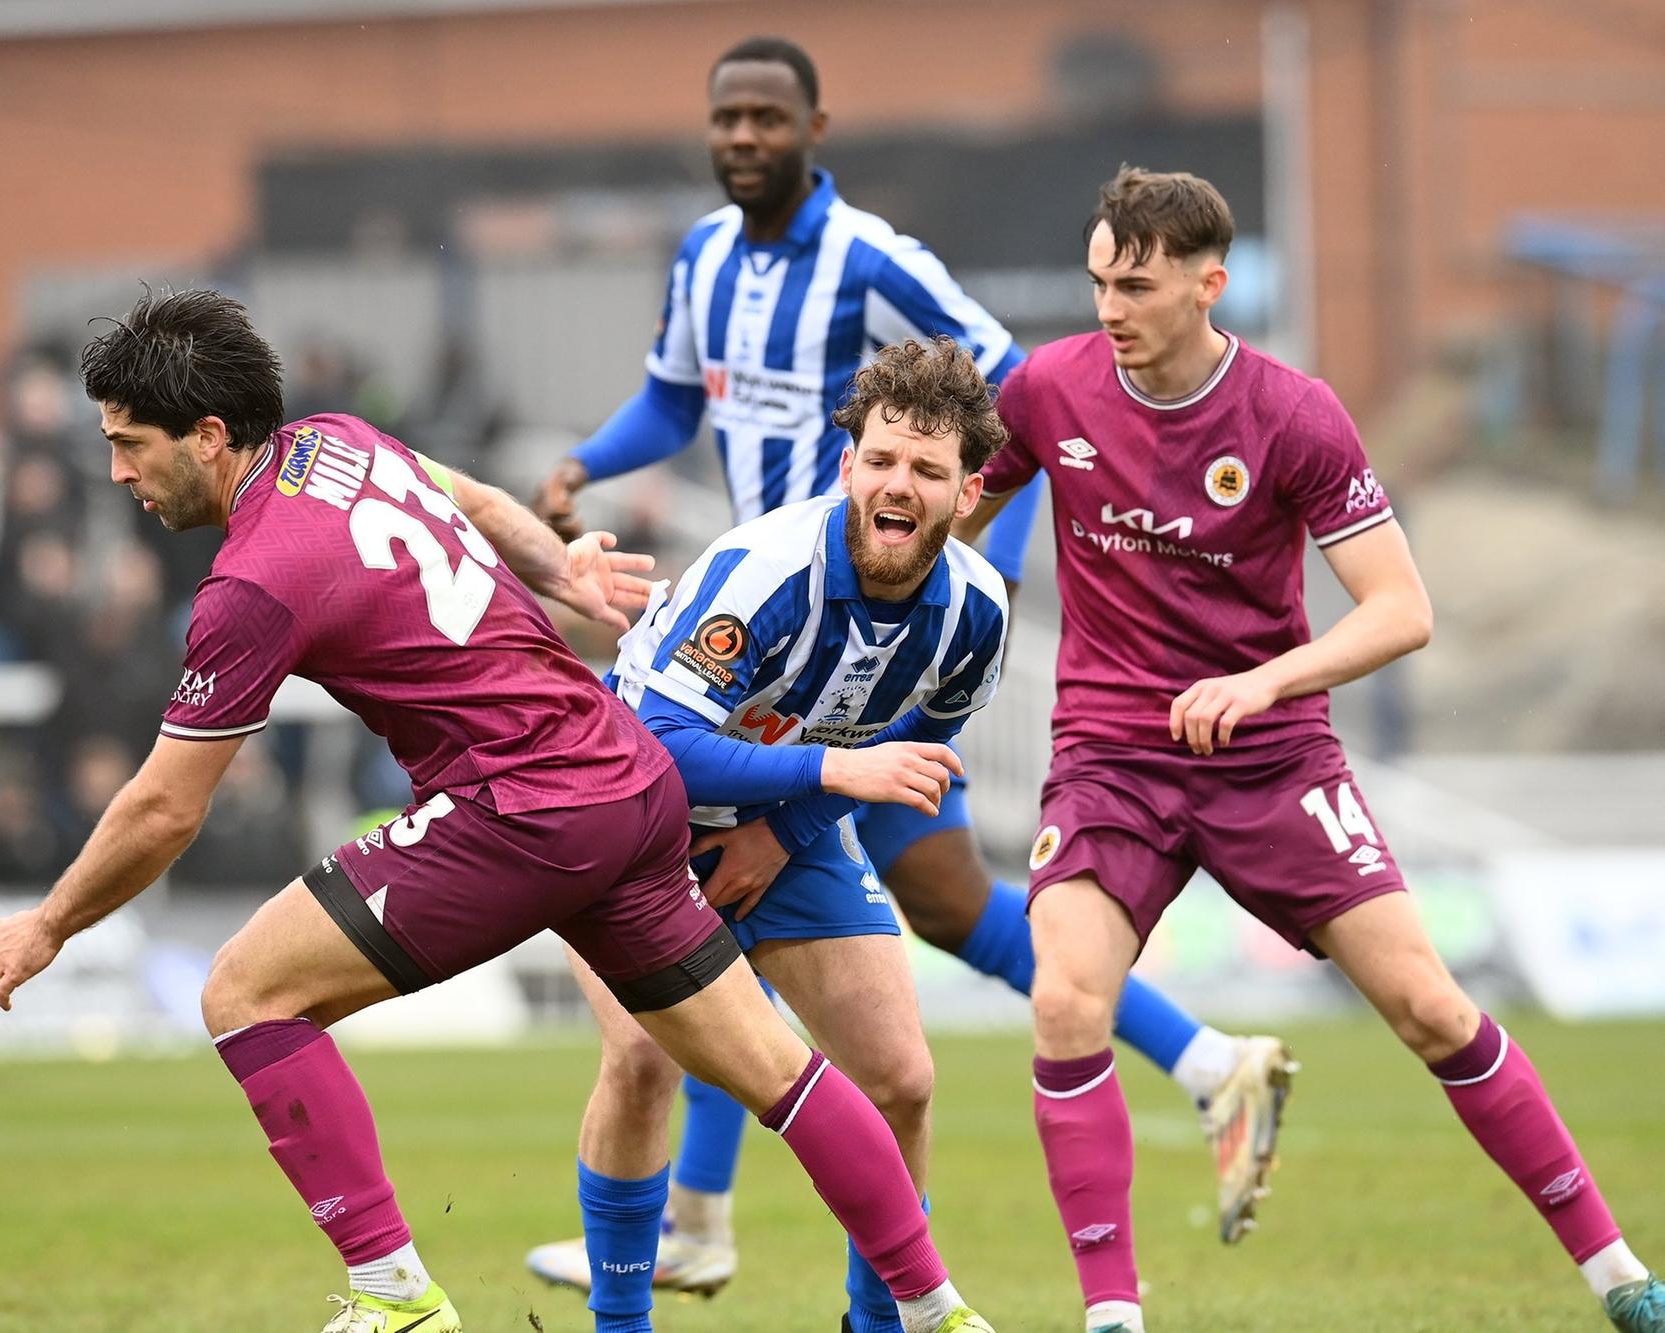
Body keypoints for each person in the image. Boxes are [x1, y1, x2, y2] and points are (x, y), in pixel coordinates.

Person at [0, 289, 997, 1333]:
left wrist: (49, 920)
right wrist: (561, 568)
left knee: (244, 994)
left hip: (518, 809)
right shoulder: (339, 439)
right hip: (627, 783)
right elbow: (478, 501)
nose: (121, 471)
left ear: (210, 437)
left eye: (132, 445)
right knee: (782, 1075)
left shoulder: (250, 582)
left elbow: (165, 810)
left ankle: (395, 1297)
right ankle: (940, 1311)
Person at [525, 33, 1287, 1304]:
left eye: (769, 117)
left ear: (816, 125)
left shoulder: (877, 266)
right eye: (727, 118)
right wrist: (585, 467)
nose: (744, 139)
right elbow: (671, 402)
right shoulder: (706, 260)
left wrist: (973, 559)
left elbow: (1023, 391)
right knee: (856, 938)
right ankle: (1200, 1057)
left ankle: (718, 1223)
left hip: (852, 674)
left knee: (902, 947)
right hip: (746, 666)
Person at [960, 166, 1664, 1333]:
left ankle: (1619, 1279)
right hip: (1110, 758)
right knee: (1065, 1001)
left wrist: (1260, 680)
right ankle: (1111, 1319)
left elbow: (1400, 608)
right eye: (1096, 283)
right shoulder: (1045, 389)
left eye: (1133, 286)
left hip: (1270, 757)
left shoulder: (1291, 415)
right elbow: (948, 525)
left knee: (1431, 1010)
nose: (1108, 310)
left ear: (1207, 283)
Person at [565, 337, 1006, 1333]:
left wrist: (786, 828)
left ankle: (877, 1326)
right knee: (641, 1055)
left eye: (927, 470)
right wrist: (829, 772)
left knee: (900, 1081)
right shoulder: (764, 569)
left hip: (779, 819)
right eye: (881, 460)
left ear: (965, 493)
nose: (898, 484)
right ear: (846, 464)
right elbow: (656, 747)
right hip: (621, 806)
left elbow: (925, 738)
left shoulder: (974, 612)